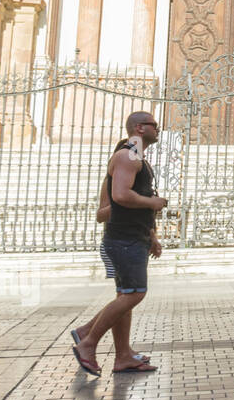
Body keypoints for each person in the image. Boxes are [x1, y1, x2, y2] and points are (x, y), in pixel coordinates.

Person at [71, 112, 167, 376]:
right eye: (153, 126)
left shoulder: (137, 158)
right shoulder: (127, 156)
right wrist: (153, 204)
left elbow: (138, 195)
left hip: (133, 237)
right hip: (123, 239)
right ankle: (88, 341)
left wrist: (151, 233)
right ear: (139, 128)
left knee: (127, 294)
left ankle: (122, 355)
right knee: (134, 293)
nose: (158, 130)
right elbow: (121, 196)